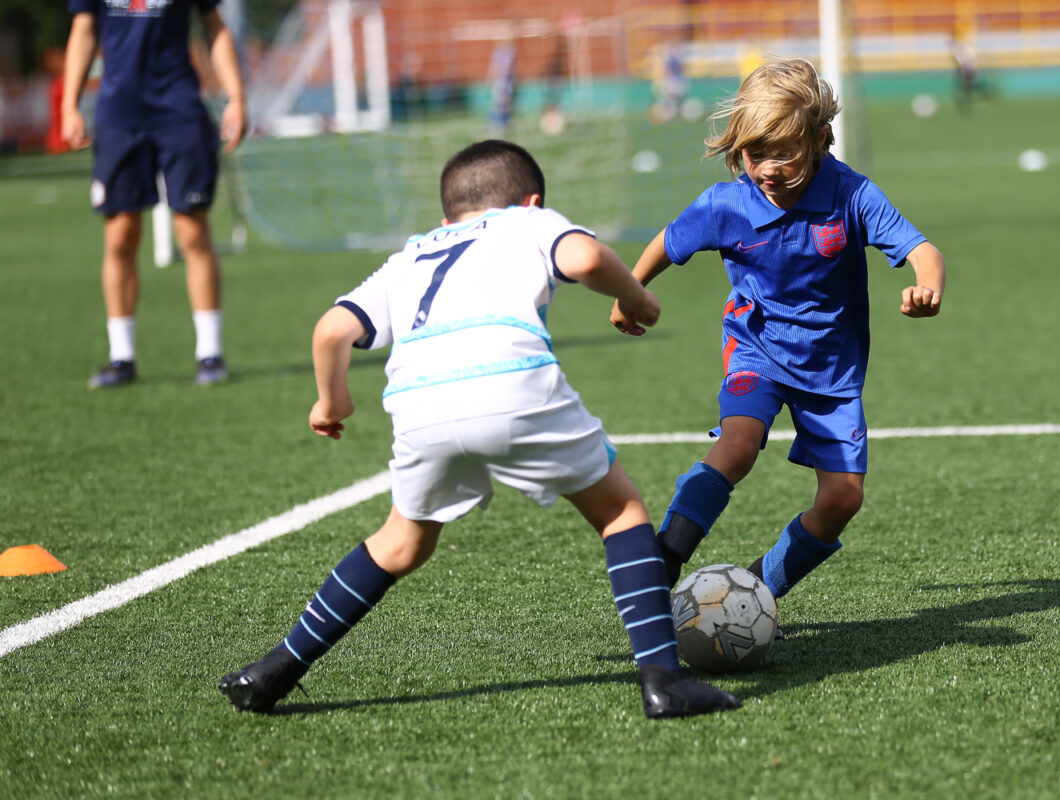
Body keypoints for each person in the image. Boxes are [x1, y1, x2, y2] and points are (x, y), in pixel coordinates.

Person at [218, 140, 740, 720]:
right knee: (620, 513)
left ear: (447, 219)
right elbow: (588, 260)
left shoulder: (410, 256)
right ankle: (663, 682)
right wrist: (635, 296)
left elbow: (331, 330)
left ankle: (274, 671)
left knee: (400, 543)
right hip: (513, 384)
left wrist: (331, 401)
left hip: (419, 405)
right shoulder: (530, 223)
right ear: (532, 200)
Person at [610, 59, 945, 612]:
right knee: (738, 446)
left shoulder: (851, 195)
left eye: (783, 152)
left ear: (818, 140)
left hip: (832, 373)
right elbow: (667, 243)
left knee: (842, 498)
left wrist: (926, 285)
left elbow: (922, 250)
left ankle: (756, 590)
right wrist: (631, 291)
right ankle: (663, 559)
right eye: (753, 153)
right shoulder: (727, 204)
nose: (767, 169)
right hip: (756, 350)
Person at [61, 0, 246, 388]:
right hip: (118, 117)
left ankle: (210, 354)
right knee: (120, 238)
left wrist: (236, 96)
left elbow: (214, 26)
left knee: (192, 232)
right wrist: (69, 105)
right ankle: (121, 357)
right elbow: (83, 30)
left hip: (179, 112)